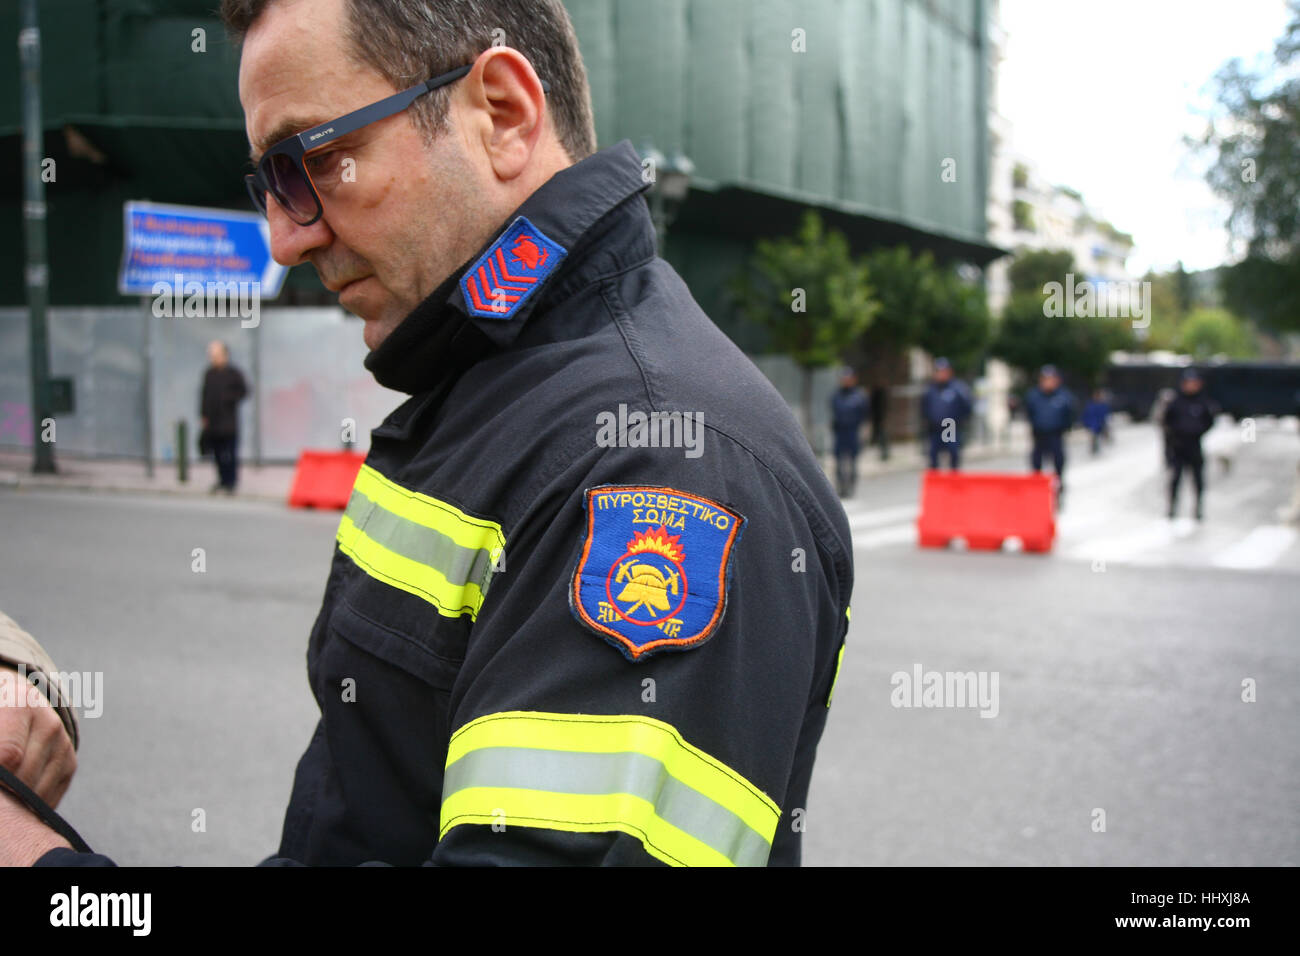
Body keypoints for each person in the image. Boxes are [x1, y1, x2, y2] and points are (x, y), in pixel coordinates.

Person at [3, 0, 853, 868]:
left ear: (504, 115)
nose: (285, 238)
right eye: (271, 183)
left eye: (316, 159)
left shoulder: (659, 460)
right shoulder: (492, 388)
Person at [1161, 369, 1219, 520]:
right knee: (1175, 479)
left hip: (1195, 446)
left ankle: (1198, 509)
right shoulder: (1176, 402)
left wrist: (1198, 431)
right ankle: (1172, 508)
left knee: (1198, 480)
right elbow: (1166, 422)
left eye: (1194, 383)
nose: (1191, 386)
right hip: (1178, 447)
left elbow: (1210, 421)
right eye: (1188, 383)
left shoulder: (1203, 402)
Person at [200, 340, 249, 494]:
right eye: (211, 355)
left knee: (230, 453)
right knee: (217, 453)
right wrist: (203, 415)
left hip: (228, 421)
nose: (213, 358)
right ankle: (221, 480)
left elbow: (244, 391)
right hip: (213, 422)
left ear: (225, 355)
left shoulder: (234, 373)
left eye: (216, 354)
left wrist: (229, 399)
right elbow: (204, 395)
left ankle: (231, 482)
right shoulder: (209, 374)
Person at [1024, 365, 1076, 499]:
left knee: (1058, 459)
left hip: (1056, 433)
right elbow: (1029, 412)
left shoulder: (1063, 396)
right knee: (1036, 460)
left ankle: (1058, 484)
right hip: (1039, 434)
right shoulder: (1034, 396)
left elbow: (1070, 414)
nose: (1047, 382)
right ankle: (1037, 485)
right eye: (1044, 379)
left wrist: (1066, 427)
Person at [919, 357, 972, 470]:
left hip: (950, 426)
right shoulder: (930, 389)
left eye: (944, 371)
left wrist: (959, 421)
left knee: (953, 453)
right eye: (938, 371)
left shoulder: (957, 388)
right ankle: (936, 481)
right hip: (934, 427)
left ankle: (953, 480)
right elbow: (924, 406)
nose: (941, 374)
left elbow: (966, 407)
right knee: (933, 455)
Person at [830, 367, 870, 496]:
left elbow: (865, 415)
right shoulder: (836, 395)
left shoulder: (859, 396)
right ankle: (841, 487)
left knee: (852, 461)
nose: (846, 381)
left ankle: (851, 485)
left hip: (853, 431)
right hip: (840, 431)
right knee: (839, 461)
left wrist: (865, 432)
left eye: (848, 379)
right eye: (844, 379)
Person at [1081, 388, 1111, 456]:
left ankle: (1099, 448)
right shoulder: (1090, 405)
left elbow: (1105, 414)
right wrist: (1086, 423)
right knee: (1093, 437)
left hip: (1100, 424)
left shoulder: (1102, 405)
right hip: (1092, 424)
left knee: (1099, 436)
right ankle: (1094, 449)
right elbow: (1086, 415)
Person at [869, 383, 890, 461]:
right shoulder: (877, 395)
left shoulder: (882, 394)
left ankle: (884, 453)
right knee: (881, 436)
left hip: (880, 420)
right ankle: (884, 453)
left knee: (883, 436)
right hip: (878, 419)